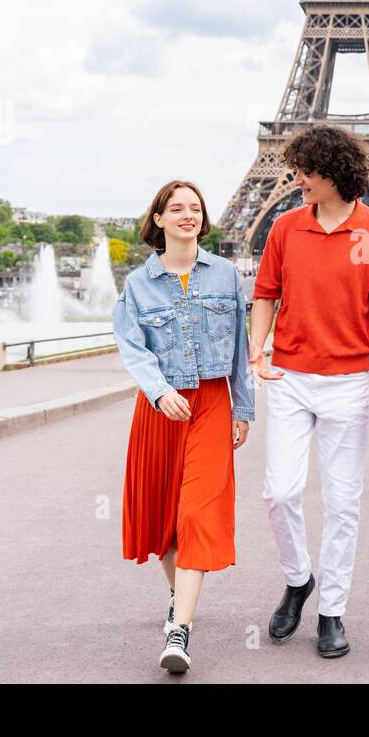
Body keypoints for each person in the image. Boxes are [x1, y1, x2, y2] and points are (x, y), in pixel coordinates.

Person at [248, 124, 369, 658]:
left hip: (348, 383)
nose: (296, 180)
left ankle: (331, 611)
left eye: (306, 172)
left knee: (342, 504)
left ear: (335, 174)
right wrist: (255, 353)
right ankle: (299, 579)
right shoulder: (285, 228)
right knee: (280, 492)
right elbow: (265, 295)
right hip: (290, 378)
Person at [113, 180, 254, 674]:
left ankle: (181, 629)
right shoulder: (138, 284)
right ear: (159, 219)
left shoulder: (225, 276)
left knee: (197, 513)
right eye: (177, 209)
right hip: (160, 407)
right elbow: (132, 347)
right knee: (165, 521)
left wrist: (244, 407)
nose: (187, 215)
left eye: (195, 208)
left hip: (212, 403)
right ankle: (182, 599)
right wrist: (159, 390)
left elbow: (240, 348)